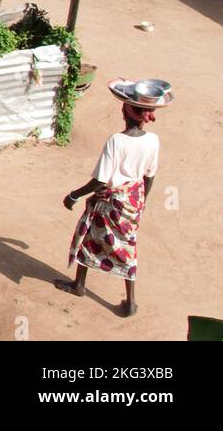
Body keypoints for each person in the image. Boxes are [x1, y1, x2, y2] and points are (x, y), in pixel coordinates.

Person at [54, 94, 161, 317]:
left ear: (125, 112)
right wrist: (142, 203)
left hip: (110, 201)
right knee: (127, 246)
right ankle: (129, 301)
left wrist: (74, 195)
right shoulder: (153, 140)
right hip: (132, 199)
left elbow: (100, 181)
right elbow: (149, 176)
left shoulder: (117, 141)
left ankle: (79, 285)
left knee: (88, 235)